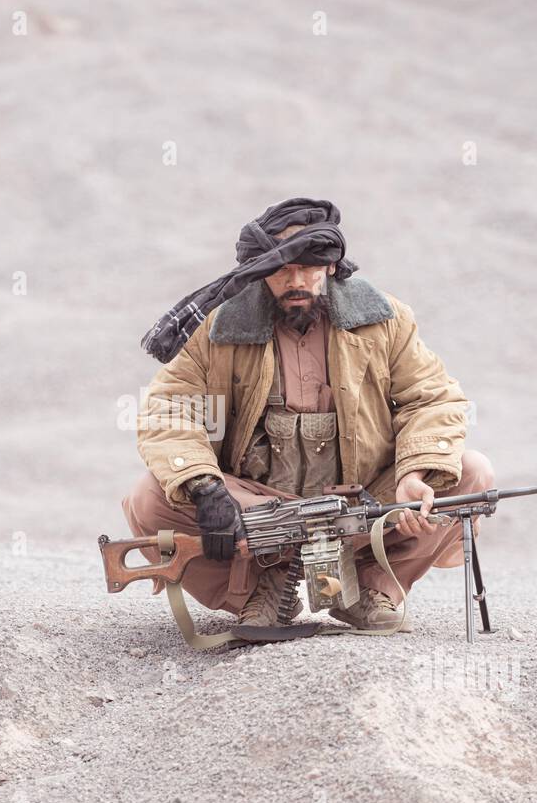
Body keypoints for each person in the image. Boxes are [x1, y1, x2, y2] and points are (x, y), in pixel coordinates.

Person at [123, 197, 494, 631]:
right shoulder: (218, 329)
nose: (296, 280)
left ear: (331, 267)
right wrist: (205, 487)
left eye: (308, 268)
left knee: (470, 473)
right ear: (261, 272)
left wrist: (415, 473)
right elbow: (170, 410)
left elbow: (432, 399)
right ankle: (258, 590)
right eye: (281, 269)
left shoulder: (385, 320)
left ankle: (374, 587)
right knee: (149, 499)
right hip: (258, 509)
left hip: (363, 503)